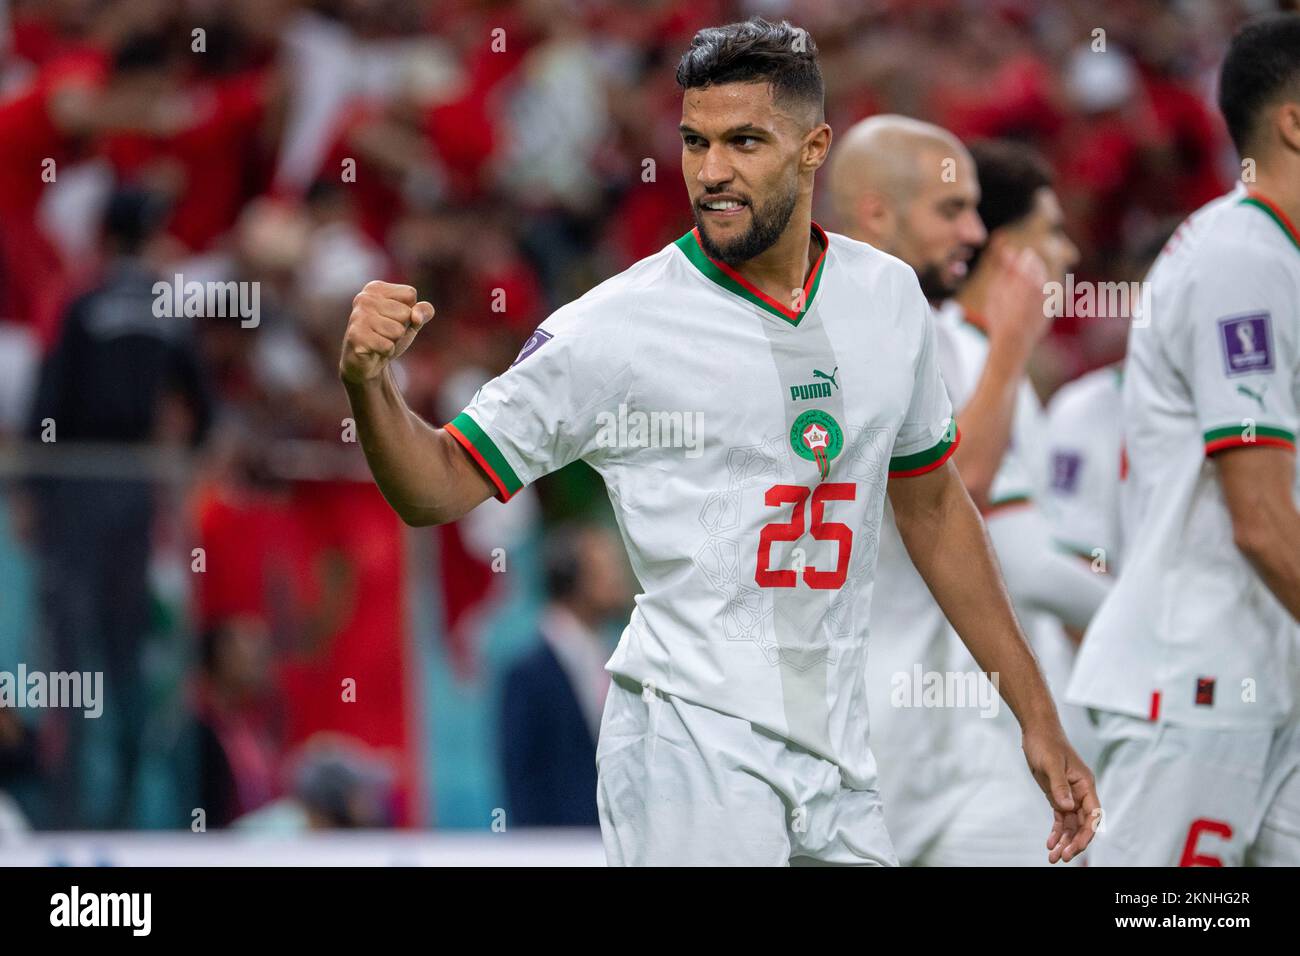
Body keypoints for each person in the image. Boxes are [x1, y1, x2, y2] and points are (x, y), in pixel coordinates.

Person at [340, 17, 1097, 866]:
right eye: (696, 143)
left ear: (814, 149)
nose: (712, 172)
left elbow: (933, 507)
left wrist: (1036, 711)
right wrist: (371, 384)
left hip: (843, 761)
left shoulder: (886, 299)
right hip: (688, 749)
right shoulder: (615, 327)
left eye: (745, 142)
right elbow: (435, 485)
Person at [831, 119, 1105, 864]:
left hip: (900, 709)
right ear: (876, 211)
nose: (973, 231)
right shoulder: (894, 329)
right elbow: (963, 485)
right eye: (952, 211)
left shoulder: (900, 325)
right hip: (925, 731)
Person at [1068, 13, 1300, 867]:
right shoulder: (1245, 261)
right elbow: (1261, 520)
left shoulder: (1274, 259)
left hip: (1264, 678)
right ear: (1294, 123)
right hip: (1195, 686)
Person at [26, 185, 212, 828]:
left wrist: (33, 491)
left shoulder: (80, 303)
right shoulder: (168, 307)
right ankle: (128, 819)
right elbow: (205, 408)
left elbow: (47, 402)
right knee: (127, 655)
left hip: (77, 489)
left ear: (103, 237)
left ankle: (70, 816)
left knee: (73, 663)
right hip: (137, 490)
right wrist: (181, 460)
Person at [499, 523, 630, 827]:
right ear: (572, 579)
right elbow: (522, 786)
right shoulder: (528, 677)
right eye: (606, 569)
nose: (618, 579)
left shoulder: (612, 658)